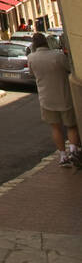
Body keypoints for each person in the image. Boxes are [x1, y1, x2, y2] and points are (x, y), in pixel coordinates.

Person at [27, 32, 81, 169]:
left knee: (55, 127)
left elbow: (32, 73)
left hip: (46, 97)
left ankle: (63, 156)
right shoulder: (58, 56)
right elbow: (70, 69)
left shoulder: (31, 58)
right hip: (64, 96)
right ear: (46, 42)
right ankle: (73, 150)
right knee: (71, 125)